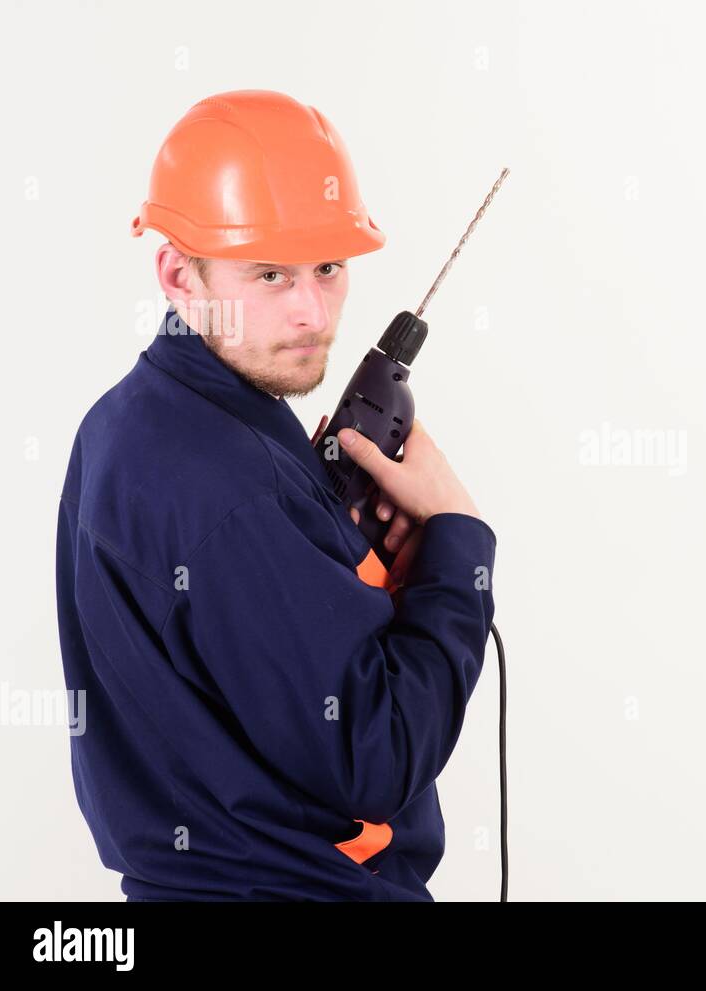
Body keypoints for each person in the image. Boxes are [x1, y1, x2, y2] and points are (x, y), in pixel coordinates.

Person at [54, 90, 496, 901]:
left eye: (328, 267)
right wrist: (456, 545)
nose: (311, 309)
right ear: (178, 274)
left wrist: (335, 557)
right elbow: (379, 754)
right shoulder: (232, 487)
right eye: (270, 274)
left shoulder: (125, 425)